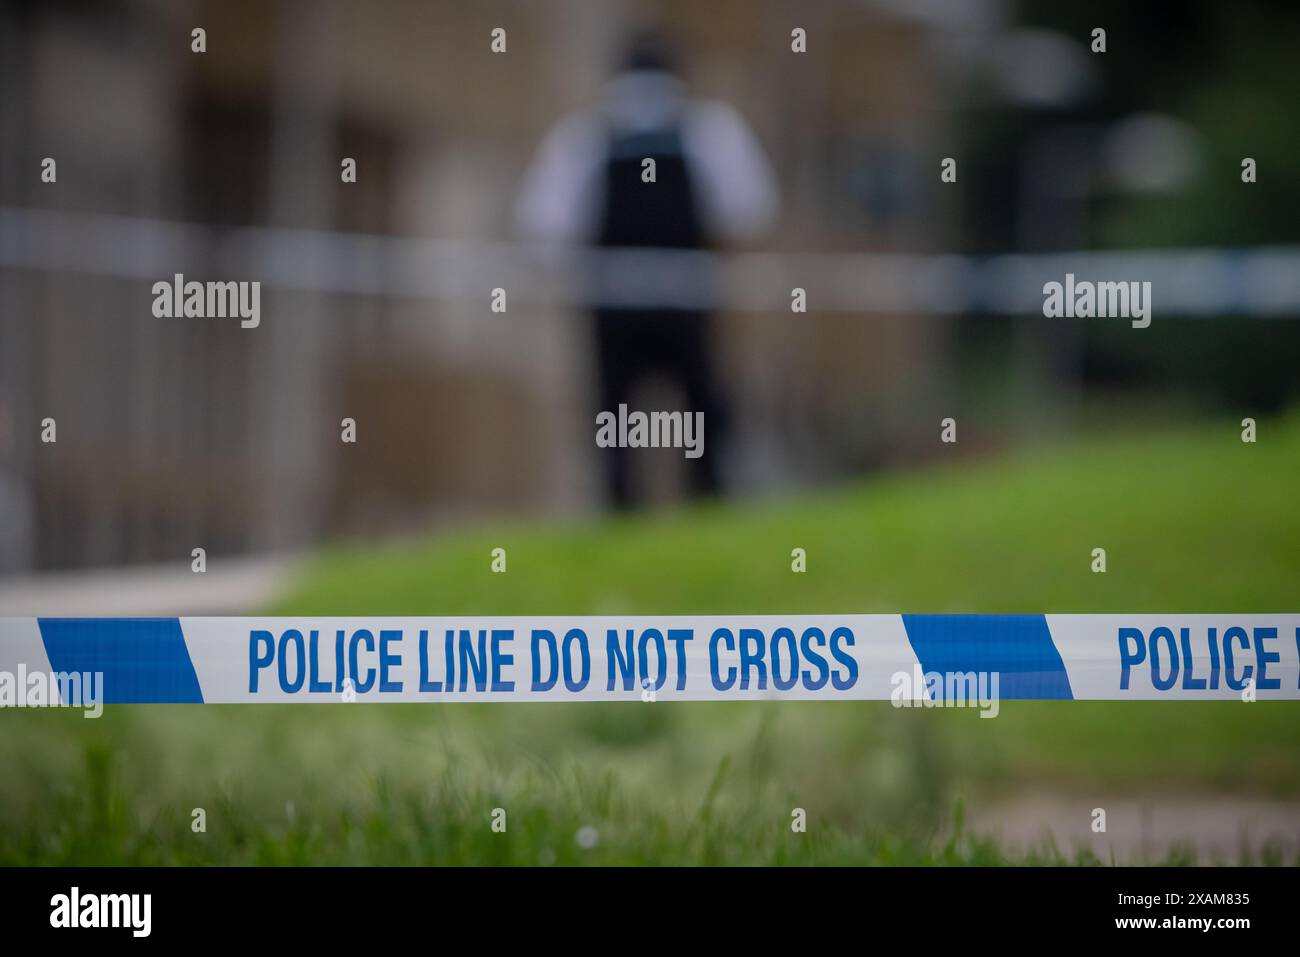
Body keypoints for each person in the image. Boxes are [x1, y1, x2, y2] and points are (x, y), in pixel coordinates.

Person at [515, 31, 778, 508]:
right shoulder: (708, 130)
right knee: (700, 416)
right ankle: (707, 504)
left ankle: (622, 509)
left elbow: (545, 227)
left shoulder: (586, 137)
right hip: (687, 298)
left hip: (614, 301)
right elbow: (749, 211)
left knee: (616, 420)